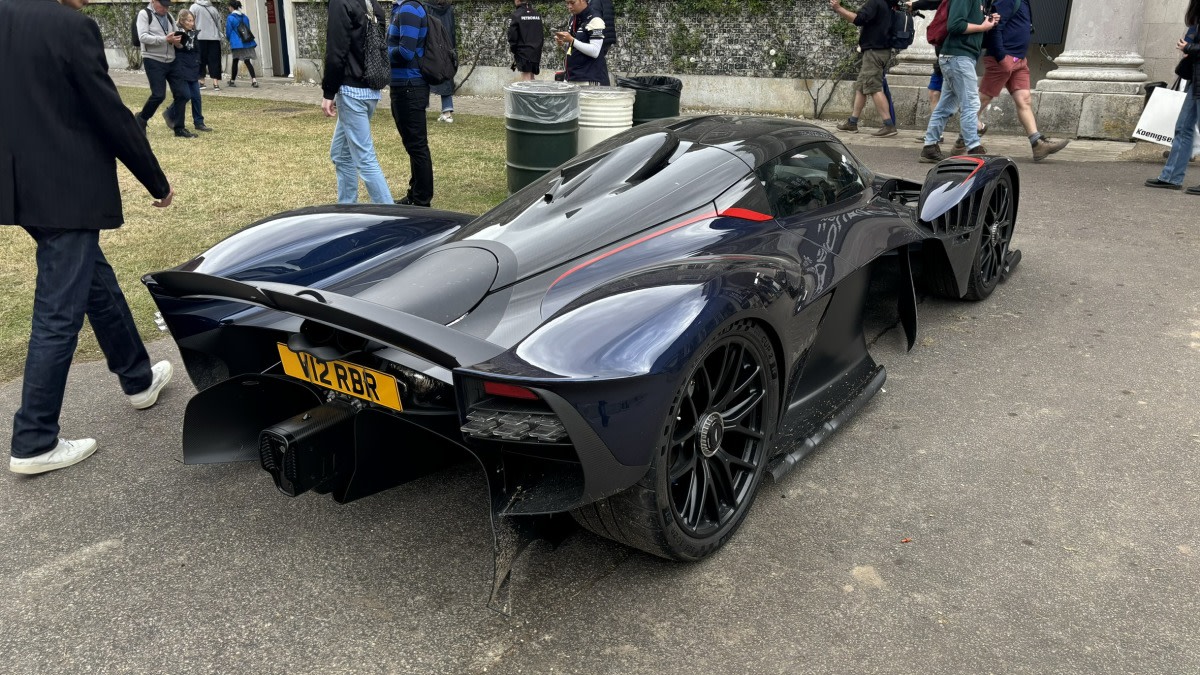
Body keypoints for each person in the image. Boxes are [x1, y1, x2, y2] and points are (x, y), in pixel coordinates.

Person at [0, 0, 176, 475]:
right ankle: (35, 440)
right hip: (65, 187)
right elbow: (111, 113)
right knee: (59, 310)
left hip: (19, 185)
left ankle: (138, 379)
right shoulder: (71, 26)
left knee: (95, 282)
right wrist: (157, 182)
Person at [950, 0, 1068, 161]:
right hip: (1003, 59)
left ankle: (1037, 144)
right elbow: (995, 27)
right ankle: (962, 140)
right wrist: (1001, 57)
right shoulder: (1007, 0)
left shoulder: (1024, 2)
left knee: (1024, 100)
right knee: (983, 98)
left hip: (1018, 59)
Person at [321, 0, 393, 204]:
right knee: (340, 154)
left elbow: (336, 51)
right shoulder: (372, 5)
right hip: (370, 89)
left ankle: (391, 217)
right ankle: (346, 208)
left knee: (365, 159)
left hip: (352, 91)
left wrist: (329, 92)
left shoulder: (341, 3)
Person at [919, 0, 997, 162]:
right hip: (959, 57)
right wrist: (983, 27)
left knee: (945, 106)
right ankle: (974, 147)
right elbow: (955, 25)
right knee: (971, 103)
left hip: (957, 57)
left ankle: (930, 147)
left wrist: (986, 22)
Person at [1147, 1, 1200, 192]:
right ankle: (1171, 177)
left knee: (1185, 128)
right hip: (1196, 78)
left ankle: (1171, 176)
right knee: (1183, 128)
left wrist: (1189, 48)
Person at [388, 0, 434, 206]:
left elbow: (406, 51)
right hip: (405, 85)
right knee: (413, 145)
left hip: (410, 85)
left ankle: (422, 200)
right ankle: (415, 193)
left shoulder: (409, 9)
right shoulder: (402, 8)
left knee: (417, 146)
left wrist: (382, 52)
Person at [830, 0, 898, 137]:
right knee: (861, 86)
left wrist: (838, 8)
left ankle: (888, 125)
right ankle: (852, 122)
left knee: (874, 87)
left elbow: (858, 19)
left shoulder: (876, 2)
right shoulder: (889, 3)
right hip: (881, 50)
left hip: (874, 52)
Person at [136, 0, 194, 138]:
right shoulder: (144, 14)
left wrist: (181, 42)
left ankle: (179, 128)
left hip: (172, 60)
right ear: (153, 2)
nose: (166, 8)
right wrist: (165, 39)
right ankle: (141, 119)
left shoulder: (169, 16)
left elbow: (174, 36)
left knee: (184, 94)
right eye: (163, 5)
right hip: (153, 59)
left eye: (168, 6)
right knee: (158, 95)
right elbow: (142, 37)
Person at [173, 10, 212, 133]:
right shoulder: (177, 33)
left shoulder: (193, 34)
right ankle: (172, 115)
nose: (192, 23)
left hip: (193, 68)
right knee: (185, 96)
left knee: (196, 96)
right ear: (182, 21)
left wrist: (200, 68)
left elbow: (197, 51)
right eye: (189, 20)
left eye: (192, 20)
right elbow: (178, 51)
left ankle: (199, 122)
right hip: (181, 68)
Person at [555, 0, 606, 86]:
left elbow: (595, 51)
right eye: (567, 3)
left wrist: (572, 40)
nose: (569, 6)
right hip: (571, 77)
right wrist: (563, 44)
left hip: (588, 79)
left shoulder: (595, 19)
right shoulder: (573, 19)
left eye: (572, 3)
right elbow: (575, 48)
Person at [426, 0, 456, 123]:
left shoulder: (425, 7)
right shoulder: (449, 9)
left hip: (430, 46)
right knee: (446, 76)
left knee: (424, 76)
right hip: (446, 47)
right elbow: (452, 31)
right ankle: (447, 111)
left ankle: (421, 109)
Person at [189, 0, 223, 91]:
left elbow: (190, 22)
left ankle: (202, 82)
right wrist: (219, 33)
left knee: (200, 59)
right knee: (215, 60)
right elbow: (219, 23)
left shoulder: (194, 7)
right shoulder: (213, 9)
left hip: (200, 37)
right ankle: (216, 84)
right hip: (214, 37)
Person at [225, 0, 258, 87]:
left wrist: (229, 39)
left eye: (229, 7)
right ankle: (254, 80)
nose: (228, 8)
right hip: (247, 42)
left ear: (231, 7)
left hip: (237, 43)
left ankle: (232, 81)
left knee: (235, 61)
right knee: (247, 61)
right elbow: (247, 30)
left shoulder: (230, 18)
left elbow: (228, 32)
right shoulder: (245, 17)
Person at [508, 0, 543, 81]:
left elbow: (512, 36)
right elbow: (541, 34)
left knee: (526, 78)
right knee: (532, 76)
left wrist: (514, 49)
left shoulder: (516, 15)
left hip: (523, 52)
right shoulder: (537, 14)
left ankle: (528, 94)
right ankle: (534, 93)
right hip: (536, 52)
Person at [589, 0, 615, 83]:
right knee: (600, 64)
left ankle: (604, 89)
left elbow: (595, 19)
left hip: (600, 37)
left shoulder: (595, 2)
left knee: (599, 66)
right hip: (608, 36)